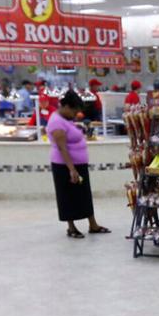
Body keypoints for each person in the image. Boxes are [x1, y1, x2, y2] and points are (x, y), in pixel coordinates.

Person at [48, 89, 110, 239]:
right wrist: (72, 169)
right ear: (67, 107)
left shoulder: (66, 119)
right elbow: (62, 148)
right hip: (65, 166)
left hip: (78, 164)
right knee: (68, 196)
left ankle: (92, 224)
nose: (76, 114)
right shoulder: (56, 122)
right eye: (74, 110)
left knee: (84, 195)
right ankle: (71, 227)